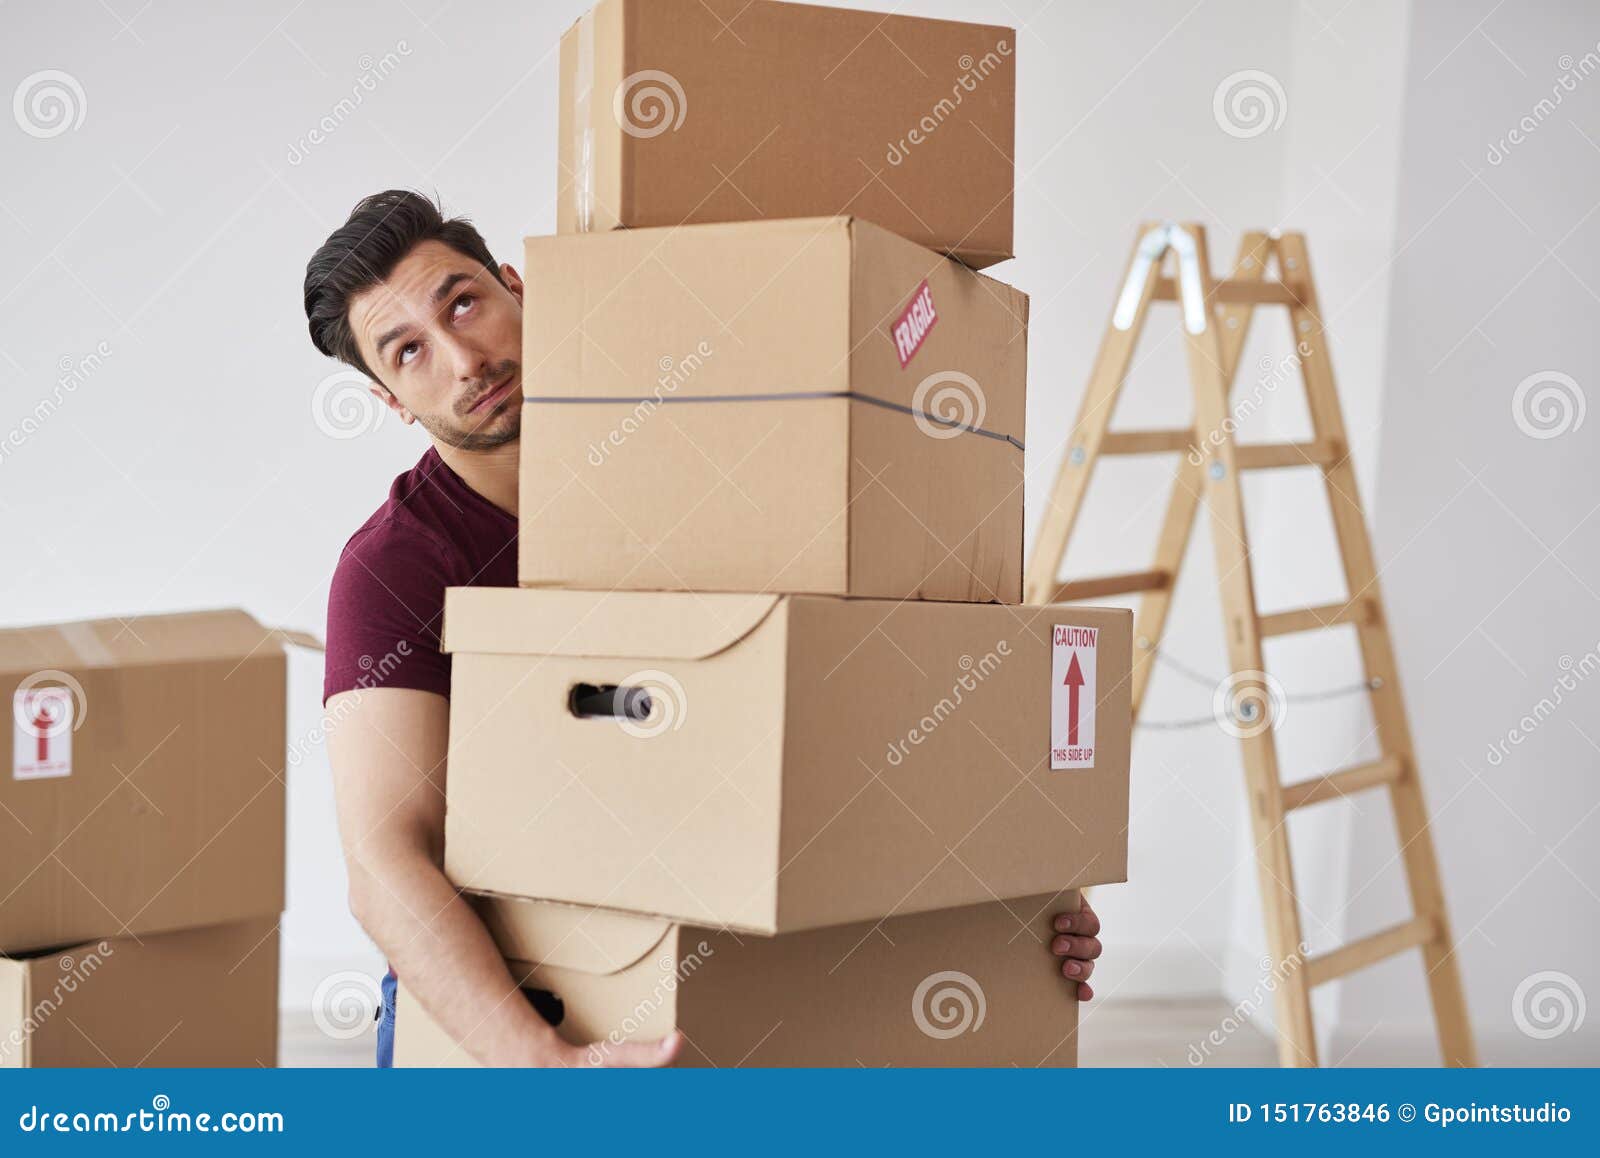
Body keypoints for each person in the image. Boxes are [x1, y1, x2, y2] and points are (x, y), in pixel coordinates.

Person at [304, 189, 1104, 1068]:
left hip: (716, 953)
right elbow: (384, 860)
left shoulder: (699, 465)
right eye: (409, 350)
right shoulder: (396, 567)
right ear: (391, 399)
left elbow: (870, 693)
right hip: (504, 1003)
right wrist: (537, 1061)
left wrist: (1012, 896)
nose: (464, 359)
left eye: (463, 304)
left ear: (518, 287)